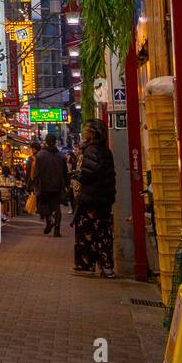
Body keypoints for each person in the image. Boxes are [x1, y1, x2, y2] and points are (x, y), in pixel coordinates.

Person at [74, 119, 117, 277]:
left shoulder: (91, 150)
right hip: (104, 199)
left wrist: (78, 175)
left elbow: (89, 173)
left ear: (91, 133)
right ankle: (106, 266)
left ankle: (87, 263)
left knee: (87, 231)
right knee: (104, 233)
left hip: (91, 198)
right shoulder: (106, 151)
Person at [34, 134, 69, 236]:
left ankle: (50, 219)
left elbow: (37, 172)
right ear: (55, 142)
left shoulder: (40, 155)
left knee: (42, 205)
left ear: (45, 141)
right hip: (57, 186)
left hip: (44, 185)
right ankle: (57, 230)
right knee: (56, 207)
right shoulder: (61, 156)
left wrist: (35, 184)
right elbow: (65, 172)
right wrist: (66, 185)